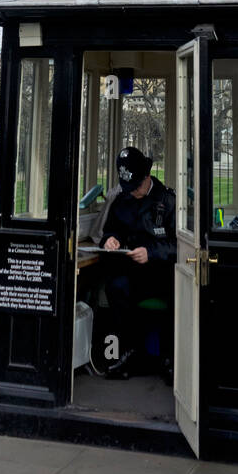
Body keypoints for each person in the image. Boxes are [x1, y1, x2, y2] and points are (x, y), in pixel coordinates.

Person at [100, 146, 176, 380]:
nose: (131, 192)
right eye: (127, 188)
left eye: (135, 187)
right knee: (115, 286)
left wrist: (151, 253)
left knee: (176, 291)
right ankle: (128, 352)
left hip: (161, 273)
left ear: (147, 177)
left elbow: (179, 245)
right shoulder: (122, 200)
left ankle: (170, 358)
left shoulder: (168, 200)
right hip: (131, 272)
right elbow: (110, 230)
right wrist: (109, 240)